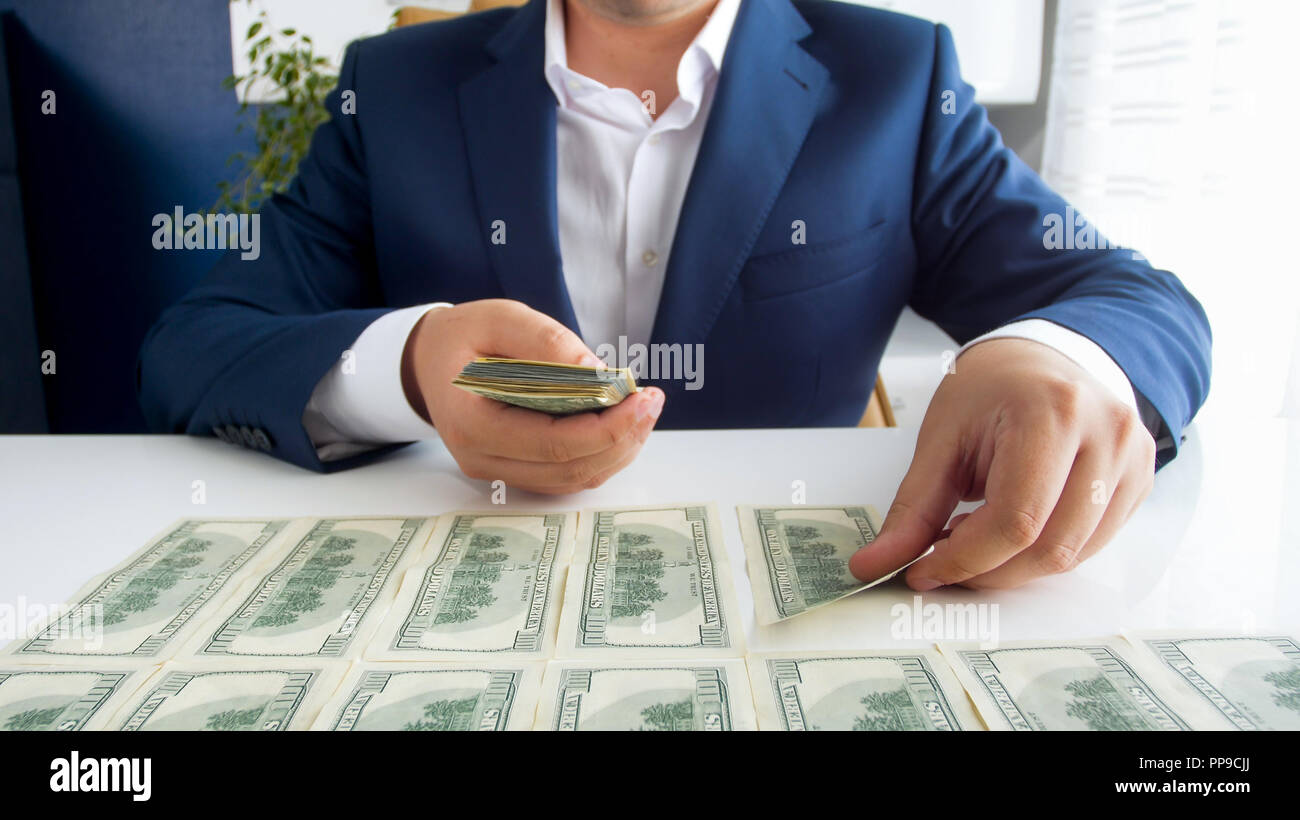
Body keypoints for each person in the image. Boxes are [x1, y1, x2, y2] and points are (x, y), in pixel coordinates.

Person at [138, 0, 1212, 591]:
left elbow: (1127, 295)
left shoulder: (896, 75)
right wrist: (414, 364)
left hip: (799, 609)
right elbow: (197, 344)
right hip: (456, 598)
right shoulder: (395, 86)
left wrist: (1055, 355)